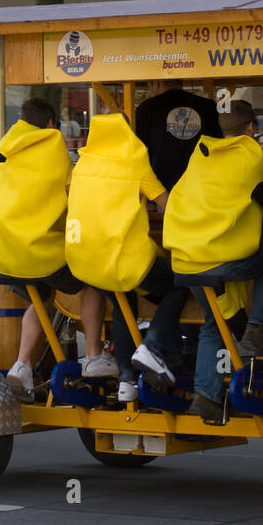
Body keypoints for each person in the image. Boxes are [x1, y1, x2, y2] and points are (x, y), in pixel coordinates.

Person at [0, 98, 115, 395]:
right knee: (94, 279)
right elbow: (76, 193)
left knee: (40, 297)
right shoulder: (52, 149)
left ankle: (22, 365)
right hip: (41, 253)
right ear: (52, 125)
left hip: (4, 254)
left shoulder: (2, 151)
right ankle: (94, 356)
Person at [163, 99, 263, 423]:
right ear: (250, 129)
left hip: (185, 260)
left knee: (214, 323)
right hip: (215, 259)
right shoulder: (249, 155)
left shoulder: (200, 155)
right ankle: (257, 330)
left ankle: (206, 397)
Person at [65, 112, 188, 404]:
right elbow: (165, 203)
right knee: (181, 282)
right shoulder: (133, 160)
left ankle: (126, 381)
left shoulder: (83, 164)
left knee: (123, 298)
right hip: (124, 259)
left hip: (84, 260)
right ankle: (153, 348)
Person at [136, 79, 220, 190]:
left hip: (161, 186)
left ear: (157, 83)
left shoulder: (147, 107)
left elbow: (137, 146)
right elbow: (218, 141)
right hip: (201, 182)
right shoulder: (208, 106)